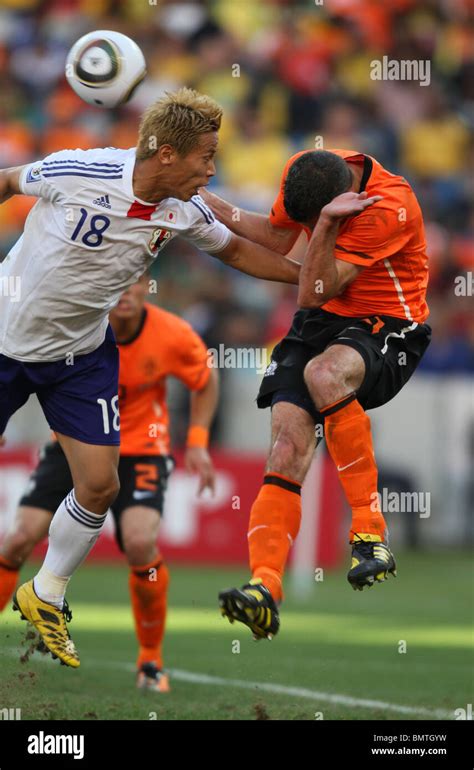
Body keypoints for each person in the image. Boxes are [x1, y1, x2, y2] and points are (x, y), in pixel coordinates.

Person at [0, 87, 300, 667]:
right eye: (205, 157)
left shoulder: (184, 209)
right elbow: (10, 180)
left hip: (80, 358)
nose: (211, 169)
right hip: (5, 341)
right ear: (166, 154)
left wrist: (312, 284)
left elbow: (237, 252)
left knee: (98, 485)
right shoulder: (81, 168)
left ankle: (47, 594)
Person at [200, 149, 431, 639]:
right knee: (285, 448)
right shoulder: (305, 170)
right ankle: (264, 589)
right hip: (323, 321)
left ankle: (370, 533)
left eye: (318, 219)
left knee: (324, 376)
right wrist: (205, 199)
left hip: (388, 325)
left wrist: (325, 226)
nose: (308, 227)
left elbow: (314, 289)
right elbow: (279, 234)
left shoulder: (388, 206)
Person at [0, 275, 218, 690]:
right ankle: (43, 596)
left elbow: (204, 379)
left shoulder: (171, 334)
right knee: (17, 539)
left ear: (148, 287)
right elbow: (29, 366)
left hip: (141, 451)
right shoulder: (77, 327)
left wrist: (198, 441)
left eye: (135, 285)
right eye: (118, 284)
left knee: (140, 543)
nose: (126, 294)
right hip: (73, 445)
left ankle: (151, 661)